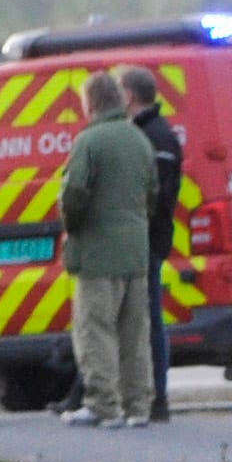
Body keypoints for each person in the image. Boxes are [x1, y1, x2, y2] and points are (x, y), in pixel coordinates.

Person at [58, 70, 159, 429]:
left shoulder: (90, 141)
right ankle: (138, 406)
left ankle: (103, 404)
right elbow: (152, 193)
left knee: (96, 328)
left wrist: (71, 225)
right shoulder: (139, 140)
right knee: (135, 333)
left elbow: (74, 192)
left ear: (91, 102)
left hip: (98, 252)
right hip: (135, 250)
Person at [119, 66, 184, 423]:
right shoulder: (153, 133)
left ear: (129, 95)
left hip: (145, 238)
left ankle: (157, 395)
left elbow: (154, 195)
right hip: (146, 236)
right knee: (138, 316)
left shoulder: (154, 137)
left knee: (148, 318)